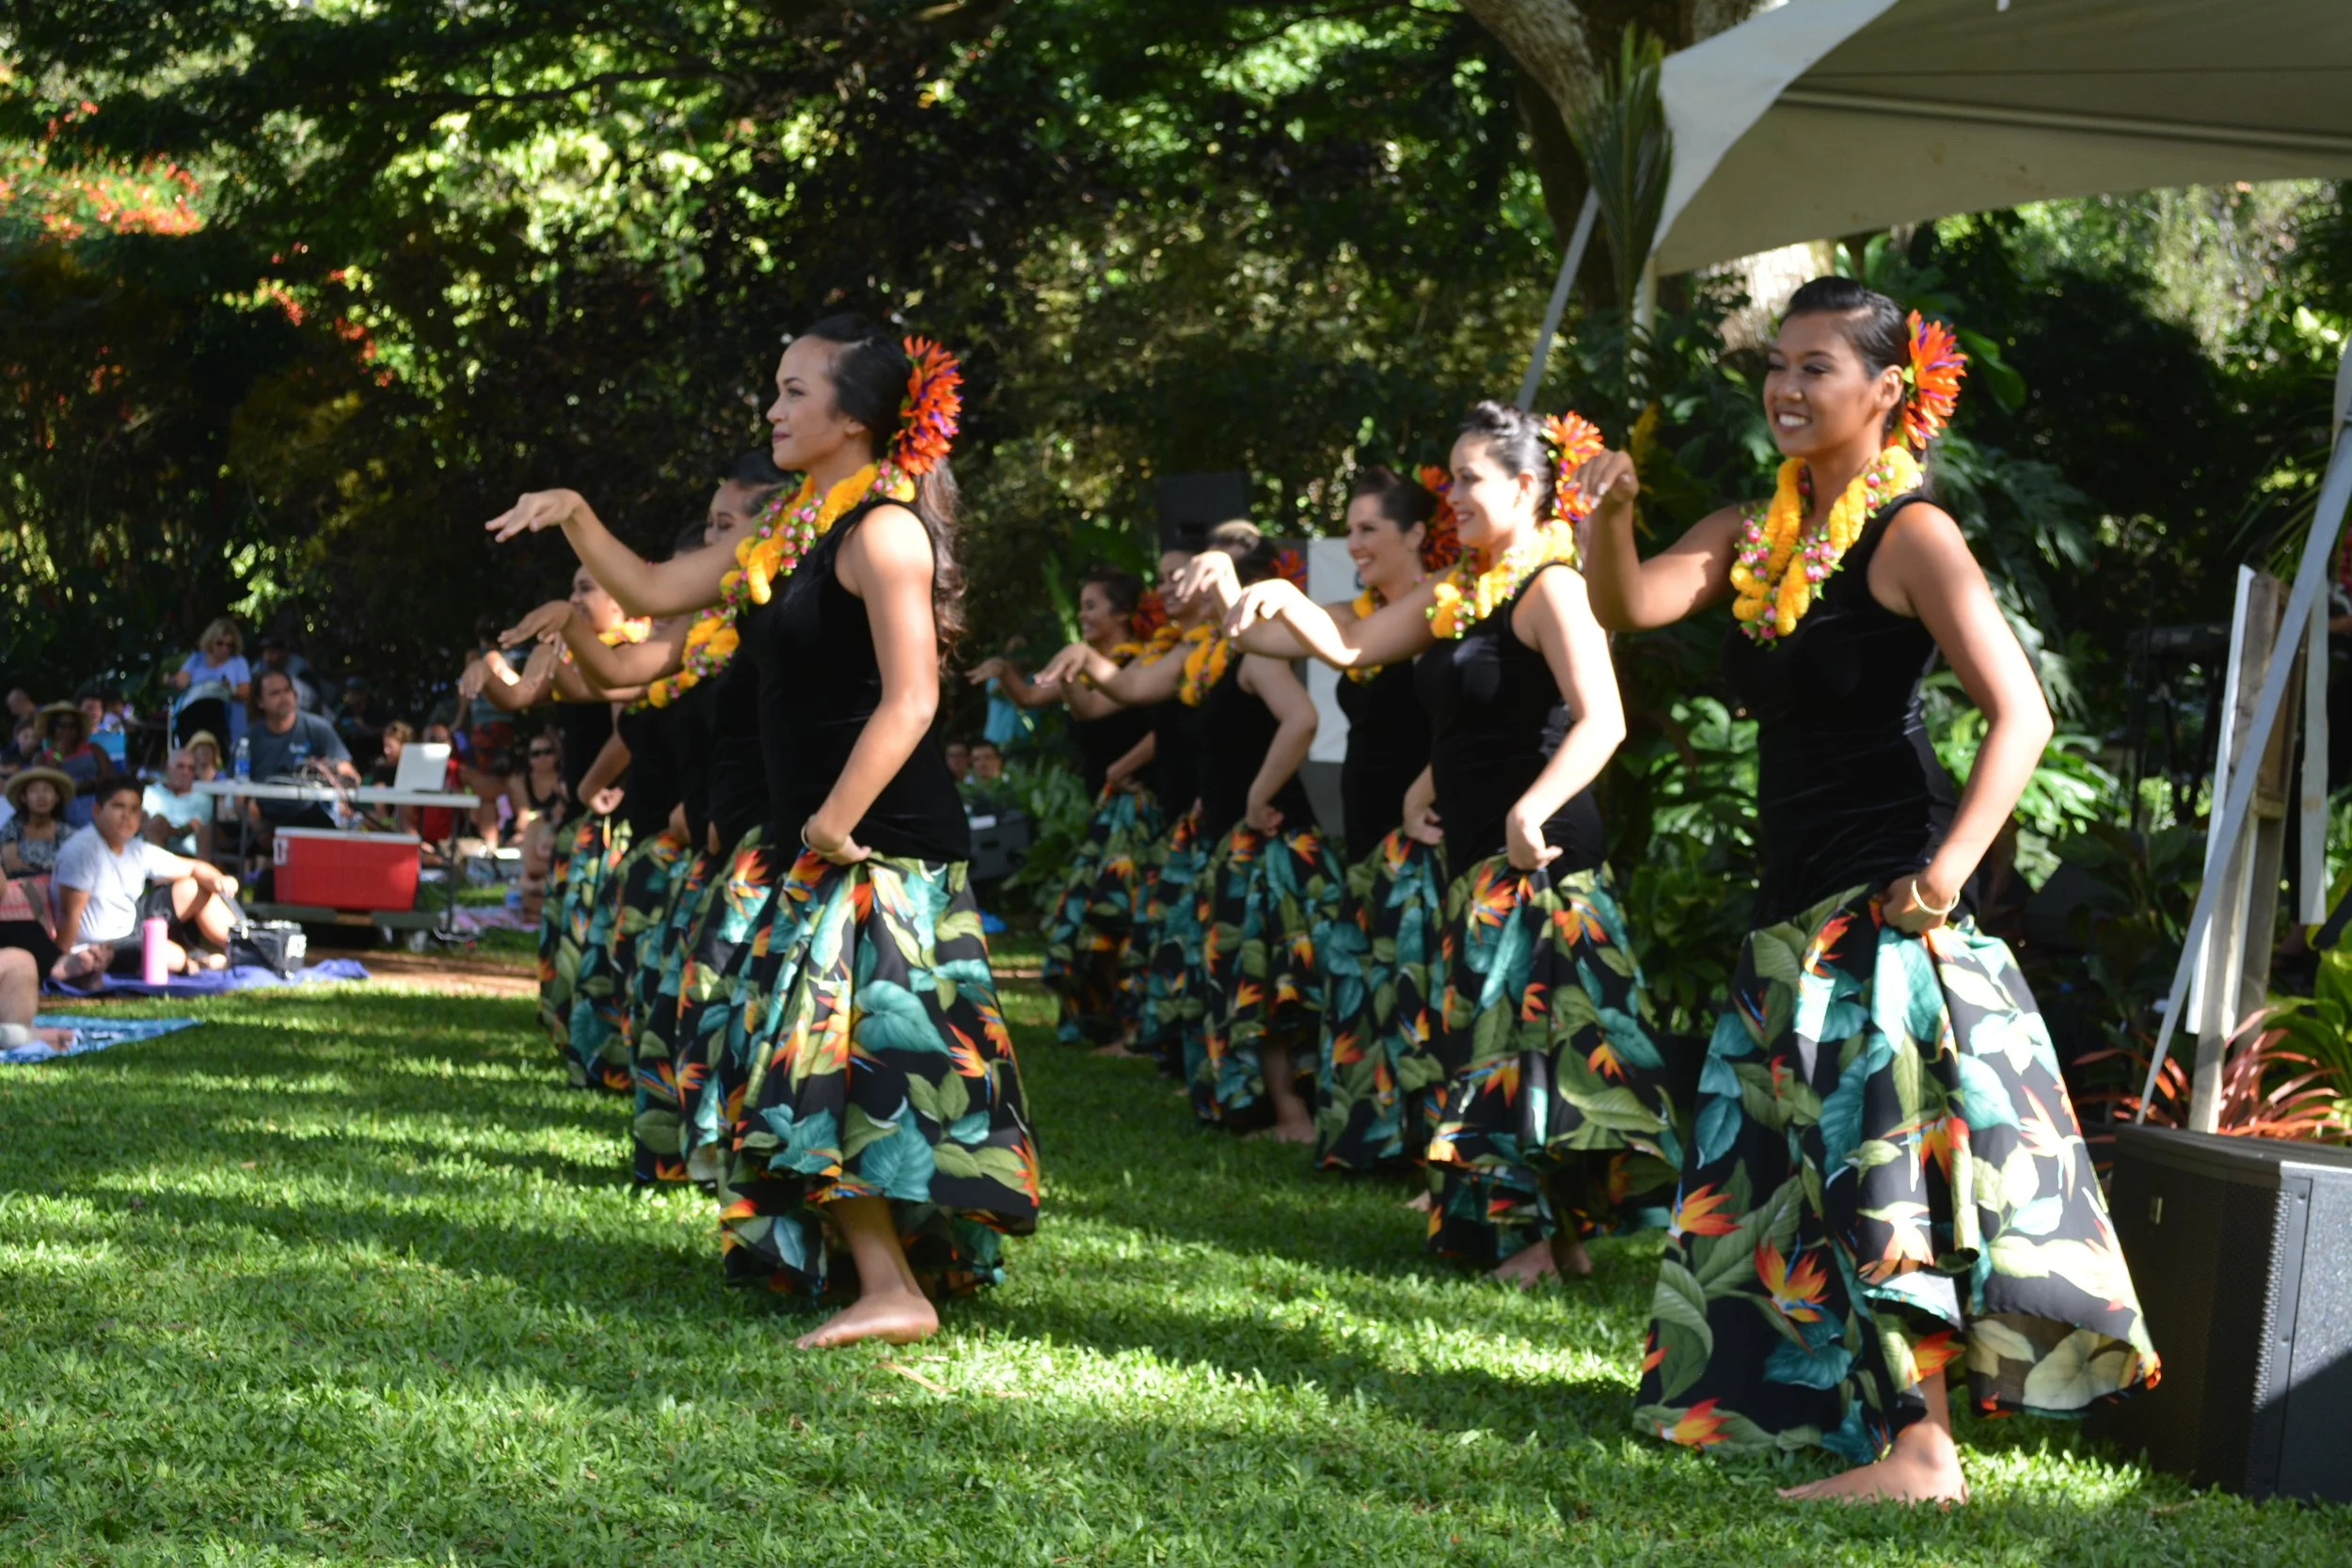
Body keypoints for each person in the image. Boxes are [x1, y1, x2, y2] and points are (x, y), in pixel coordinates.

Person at [1582, 278, 2158, 1502]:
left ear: (1886, 388)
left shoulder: (1912, 532)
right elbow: (1628, 602)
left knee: (1877, 1168)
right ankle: (1813, 1407)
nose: (1786, 388)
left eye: (1816, 368)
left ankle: (1922, 1449)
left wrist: (1945, 873)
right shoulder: (1757, 527)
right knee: (1786, 1165)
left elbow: (2025, 710)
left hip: (1878, 895)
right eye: (1776, 367)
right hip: (1784, 898)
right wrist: (1612, 513)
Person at [1213, 403, 1677, 1283]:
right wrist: (1255, 602)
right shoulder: (1460, 594)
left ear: (1528, 487)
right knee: (1500, 1038)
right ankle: (1560, 1239)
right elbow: (1347, 644)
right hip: (1480, 851)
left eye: (1470, 478)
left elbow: (1602, 719)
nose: (1452, 494)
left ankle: (1539, 1238)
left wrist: (1532, 808)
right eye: (1450, 476)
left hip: (1541, 852)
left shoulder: (1553, 588)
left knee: (1531, 1042)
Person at [1180, 467, 1454, 1175]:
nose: (1354, 542)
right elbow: (1263, 639)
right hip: (1367, 831)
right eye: (1350, 528)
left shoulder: (1444, 604)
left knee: (1426, 990)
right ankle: (1390, 1142)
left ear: (1418, 532)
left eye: (1369, 528)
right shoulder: (1350, 612)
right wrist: (1226, 586)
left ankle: (1445, 1150)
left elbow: (1458, 714)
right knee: (1377, 990)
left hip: (1427, 827)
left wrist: (1426, 787)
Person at [969, 568, 1161, 1050]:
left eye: (1092, 605)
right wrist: (1004, 672)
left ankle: (1134, 1026)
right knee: (1096, 914)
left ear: (1122, 612)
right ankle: (1111, 1021)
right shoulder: (1094, 662)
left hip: (1140, 805)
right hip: (1107, 802)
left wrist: (1124, 765)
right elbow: (1043, 698)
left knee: (1121, 913)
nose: (1082, 614)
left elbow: (1165, 727)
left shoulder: (1145, 662)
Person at [51, 779, 239, 979]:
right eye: (118, 807)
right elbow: (68, 915)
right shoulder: (82, 851)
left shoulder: (135, 848)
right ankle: (195, 963)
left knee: (194, 887)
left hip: (131, 924)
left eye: (134, 809)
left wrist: (220, 880)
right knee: (171, 955)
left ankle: (245, 945)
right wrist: (61, 963)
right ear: (97, 811)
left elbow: (193, 867)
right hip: (101, 944)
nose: (126, 816)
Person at [242, 667, 358, 846]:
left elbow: (348, 772)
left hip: (312, 819)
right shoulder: (249, 739)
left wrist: (341, 792)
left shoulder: (318, 727)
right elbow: (238, 792)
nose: (284, 697)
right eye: (275, 693)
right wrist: (258, 828)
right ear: (260, 702)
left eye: (287, 690)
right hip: (266, 822)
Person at [169, 618, 251, 750]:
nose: (224, 648)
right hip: (195, 715)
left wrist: (232, 689)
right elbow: (182, 680)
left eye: (229, 645)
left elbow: (246, 692)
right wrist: (172, 680)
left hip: (227, 719)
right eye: (220, 643)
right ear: (211, 642)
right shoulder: (196, 659)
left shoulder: (238, 662)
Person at [32, 703, 112, 829]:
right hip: (62, 809)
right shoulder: (41, 758)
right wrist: (58, 754)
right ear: (53, 728)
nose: (67, 731)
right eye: (62, 726)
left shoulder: (94, 749)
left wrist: (91, 784)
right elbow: (45, 782)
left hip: (96, 800)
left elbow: (109, 776)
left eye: (72, 726)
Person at [142, 748, 212, 861]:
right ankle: (161, 871)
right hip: (152, 848)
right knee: (156, 822)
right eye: (180, 766)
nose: (185, 772)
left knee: (158, 822)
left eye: (191, 768)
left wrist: (170, 830)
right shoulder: (149, 793)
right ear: (168, 768)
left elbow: (195, 826)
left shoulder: (203, 799)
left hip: (188, 854)